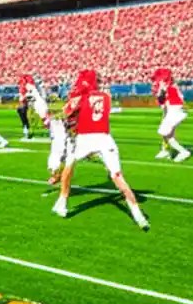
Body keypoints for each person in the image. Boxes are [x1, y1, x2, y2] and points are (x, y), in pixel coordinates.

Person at [53, 70, 149, 231]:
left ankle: (62, 202)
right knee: (118, 177)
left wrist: (62, 116)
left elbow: (66, 114)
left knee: (69, 165)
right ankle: (138, 214)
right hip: (105, 138)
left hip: (85, 138)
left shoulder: (80, 97)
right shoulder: (106, 97)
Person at [153, 68, 191, 162]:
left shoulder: (169, 87)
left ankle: (183, 152)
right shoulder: (172, 87)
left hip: (174, 111)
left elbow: (161, 99)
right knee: (168, 134)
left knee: (167, 134)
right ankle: (167, 150)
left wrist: (161, 89)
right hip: (173, 111)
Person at [17, 73, 36, 139]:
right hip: (25, 103)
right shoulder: (23, 86)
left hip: (29, 102)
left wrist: (24, 97)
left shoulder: (28, 86)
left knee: (28, 117)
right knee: (22, 113)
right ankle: (26, 129)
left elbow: (31, 94)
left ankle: (28, 129)